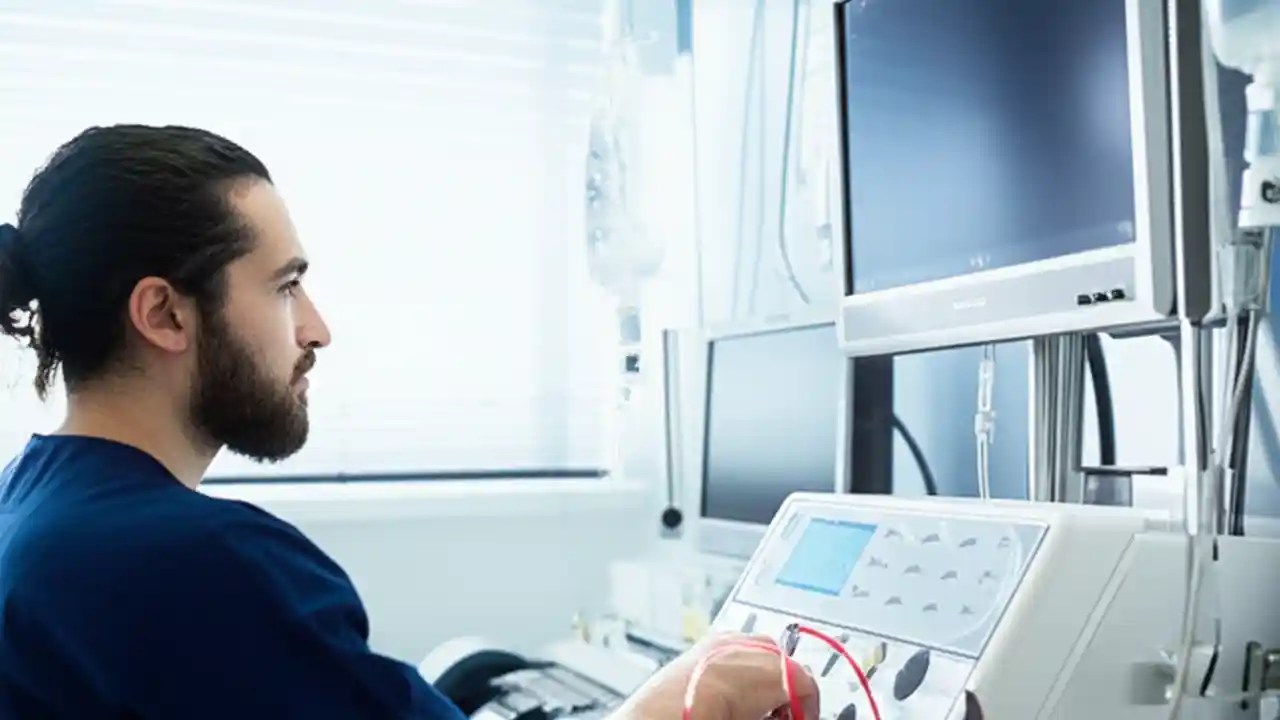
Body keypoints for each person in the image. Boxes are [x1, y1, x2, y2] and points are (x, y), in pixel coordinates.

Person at [0, 125, 820, 719]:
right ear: (165, 315)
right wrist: (681, 700)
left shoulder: (30, 508)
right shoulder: (190, 562)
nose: (317, 328)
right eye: (285, 287)